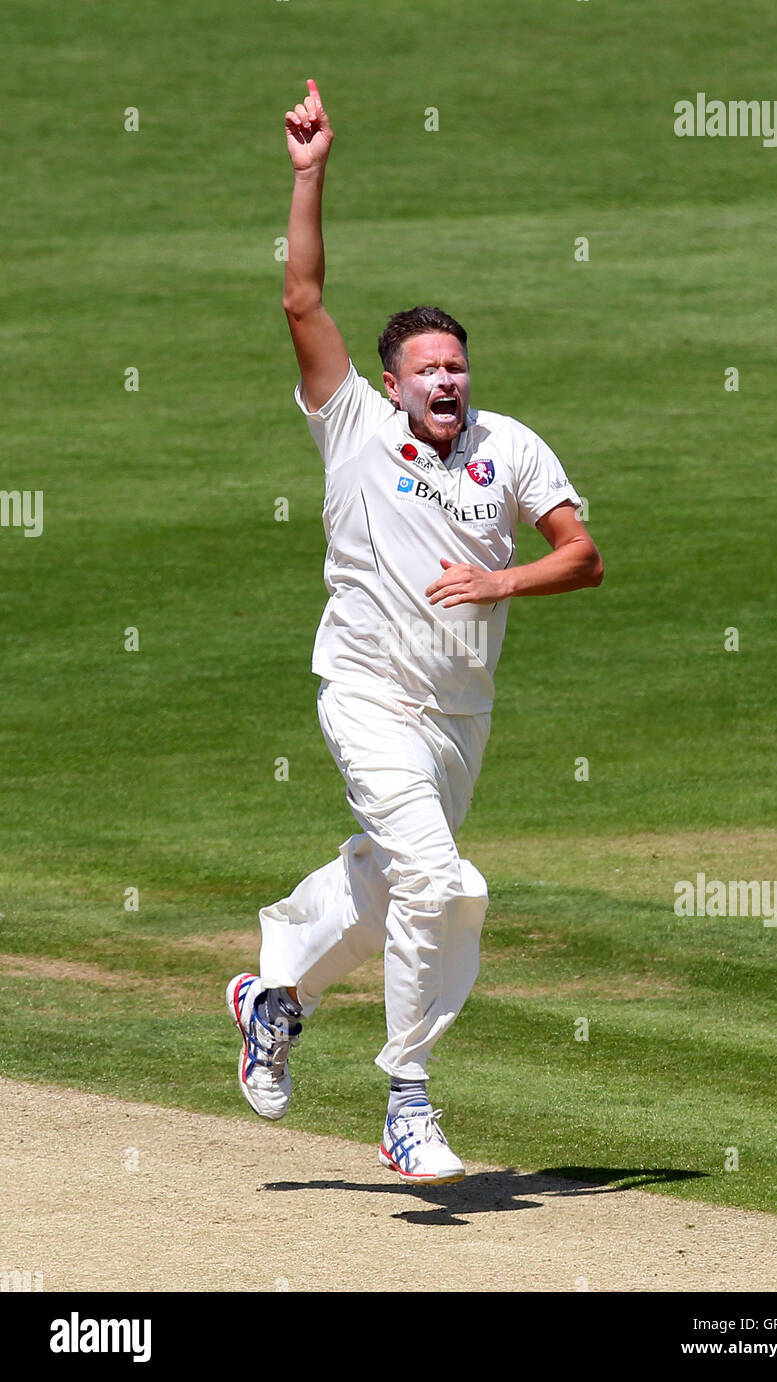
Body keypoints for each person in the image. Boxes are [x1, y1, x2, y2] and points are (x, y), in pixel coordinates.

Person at [226, 79, 604, 1186]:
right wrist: (307, 173)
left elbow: (580, 557)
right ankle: (405, 1101)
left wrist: (502, 582)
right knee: (445, 887)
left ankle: (273, 994)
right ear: (388, 386)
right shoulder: (350, 422)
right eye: (425, 370)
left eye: (456, 365)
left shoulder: (508, 447)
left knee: (397, 883)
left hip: (459, 712)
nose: (445, 380)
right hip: (366, 692)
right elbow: (301, 301)